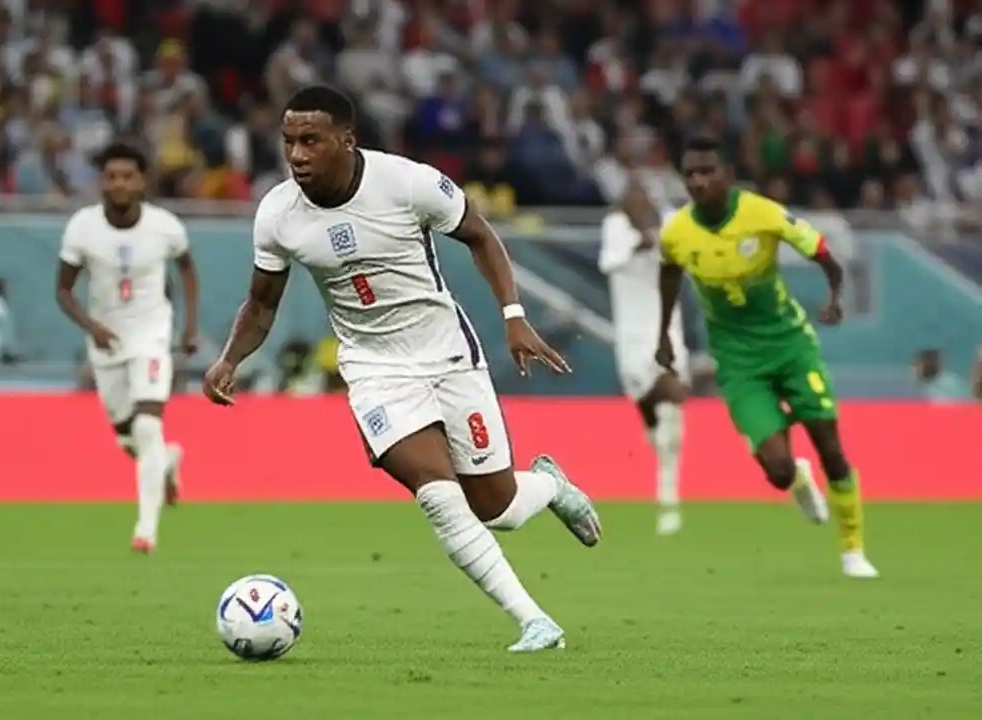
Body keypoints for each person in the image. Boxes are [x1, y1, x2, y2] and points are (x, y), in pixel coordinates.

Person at [202, 85, 602, 653]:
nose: (297, 155)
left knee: (500, 508)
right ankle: (536, 622)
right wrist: (229, 358)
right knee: (438, 496)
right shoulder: (277, 215)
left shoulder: (409, 183)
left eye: (311, 141)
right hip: (374, 369)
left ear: (347, 139)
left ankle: (550, 486)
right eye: (289, 141)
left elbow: (480, 236)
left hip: (446, 354)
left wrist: (513, 316)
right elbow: (262, 302)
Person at [655, 135, 878, 579]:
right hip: (738, 361)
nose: (698, 182)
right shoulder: (677, 231)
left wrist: (835, 296)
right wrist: (663, 334)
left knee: (830, 448)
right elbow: (669, 273)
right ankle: (795, 477)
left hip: (790, 346)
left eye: (707, 171)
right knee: (776, 470)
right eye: (690, 174)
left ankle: (853, 550)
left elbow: (821, 251)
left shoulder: (762, 213)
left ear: (728, 176)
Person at [56, 142, 199, 554]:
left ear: (142, 181)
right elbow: (63, 291)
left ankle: (146, 529)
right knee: (129, 440)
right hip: (106, 340)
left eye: (127, 176)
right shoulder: (82, 227)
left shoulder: (165, 226)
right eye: (111, 176)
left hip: (152, 333)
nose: (119, 183)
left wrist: (188, 328)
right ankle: (169, 461)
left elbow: (188, 270)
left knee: (147, 425)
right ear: (102, 182)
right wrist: (91, 326)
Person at [599, 181, 688, 535]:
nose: (639, 204)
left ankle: (668, 497)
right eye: (631, 200)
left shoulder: (670, 221)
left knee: (674, 403)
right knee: (653, 416)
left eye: (644, 198)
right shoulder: (616, 227)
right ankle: (658, 448)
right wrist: (640, 243)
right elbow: (609, 263)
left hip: (666, 330)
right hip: (631, 339)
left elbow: (683, 259)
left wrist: (662, 243)